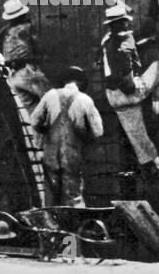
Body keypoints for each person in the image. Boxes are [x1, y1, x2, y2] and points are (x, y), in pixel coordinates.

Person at [98, 3, 159, 174]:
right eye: (125, 22)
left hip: (114, 98)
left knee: (137, 133)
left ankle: (155, 161)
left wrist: (146, 42)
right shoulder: (126, 41)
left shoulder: (106, 40)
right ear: (121, 23)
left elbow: (124, 51)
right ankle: (156, 101)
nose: (128, 25)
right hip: (129, 92)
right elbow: (125, 60)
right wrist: (133, 83)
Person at [28, 65, 104, 207]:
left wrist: (46, 132)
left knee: (51, 194)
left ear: (64, 81)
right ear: (80, 82)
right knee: (73, 195)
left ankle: (52, 225)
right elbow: (98, 131)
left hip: (50, 154)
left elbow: (33, 121)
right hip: (73, 154)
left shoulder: (50, 95)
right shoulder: (85, 100)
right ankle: (74, 226)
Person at [0, 0, 50, 110]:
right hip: (28, 70)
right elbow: (38, 47)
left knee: (31, 108)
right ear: (22, 14)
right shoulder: (28, 28)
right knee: (52, 100)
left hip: (13, 74)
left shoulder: (4, 32)